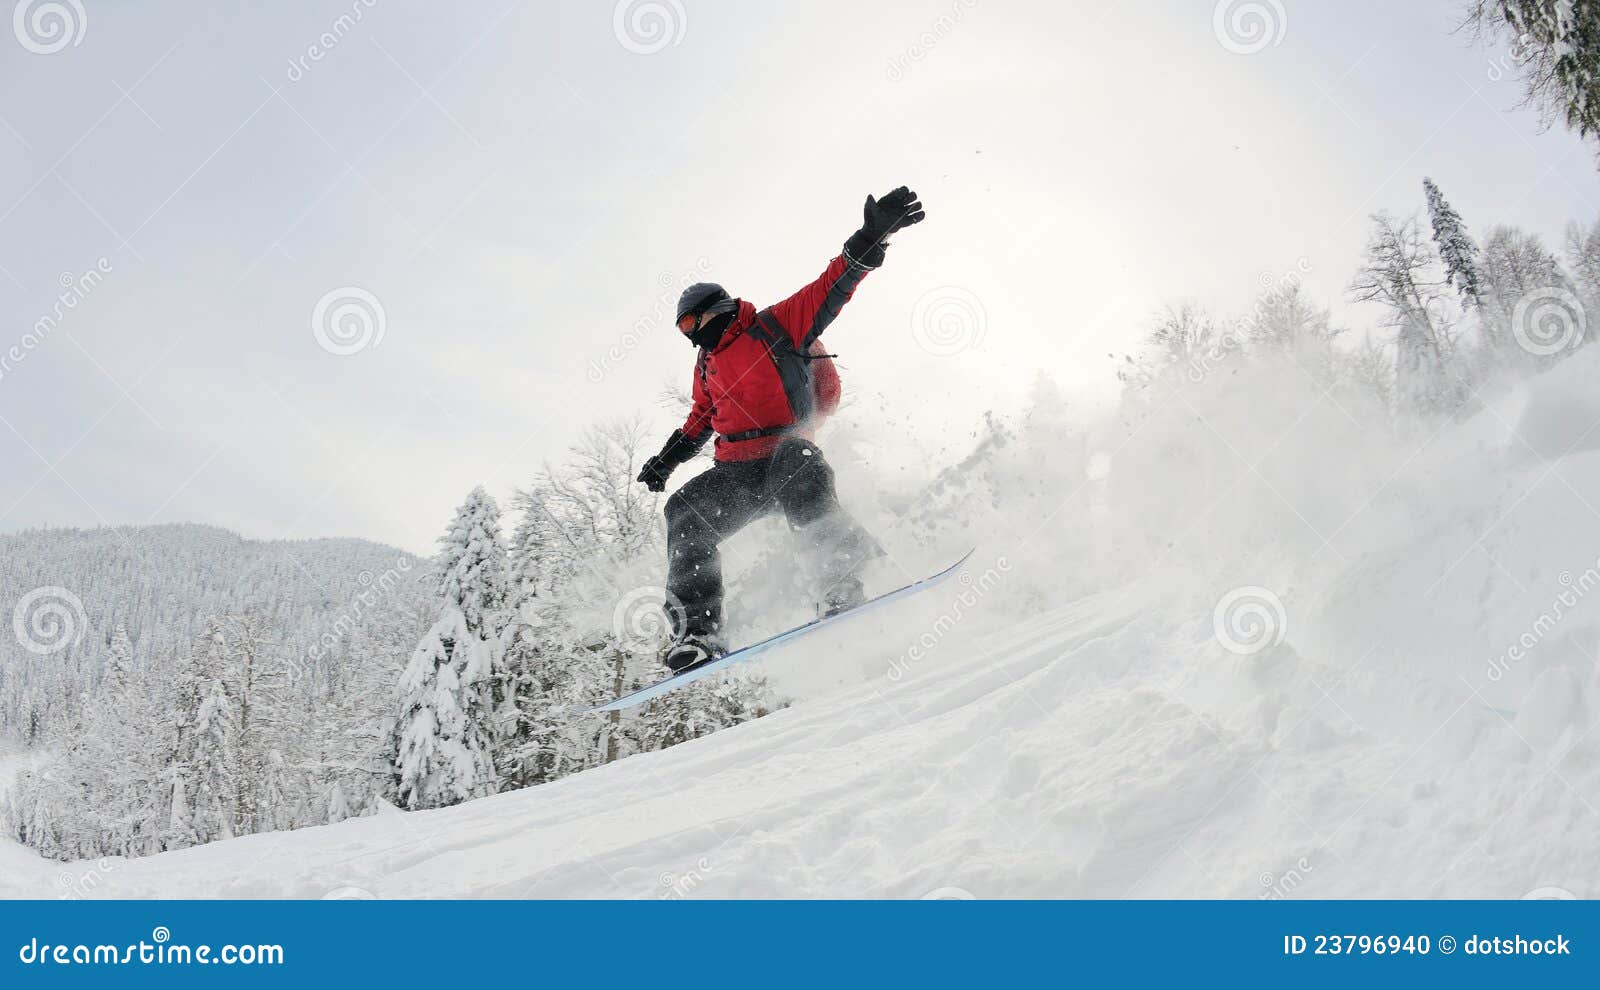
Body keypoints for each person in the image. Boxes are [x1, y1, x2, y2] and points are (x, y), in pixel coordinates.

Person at [636, 185, 927, 672]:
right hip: (738, 475)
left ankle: (841, 582)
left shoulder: (776, 325)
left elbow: (830, 287)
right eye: (683, 332)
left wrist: (872, 236)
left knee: (797, 460)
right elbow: (701, 419)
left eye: (691, 325)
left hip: (788, 457)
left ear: (715, 310)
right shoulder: (707, 364)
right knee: (684, 511)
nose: (691, 338)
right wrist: (664, 462)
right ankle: (698, 635)